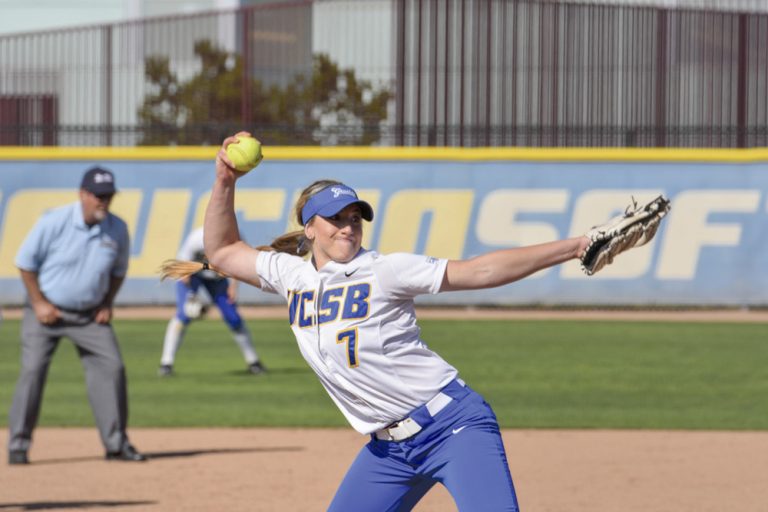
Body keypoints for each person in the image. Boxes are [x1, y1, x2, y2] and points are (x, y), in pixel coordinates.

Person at [160, 132, 593, 511]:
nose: (348, 228)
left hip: (453, 427)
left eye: (354, 218)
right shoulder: (290, 275)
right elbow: (221, 251)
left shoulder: (386, 270)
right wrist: (224, 179)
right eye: (336, 219)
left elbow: (478, 271)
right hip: (388, 452)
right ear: (309, 228)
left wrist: (574, 247)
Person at [8, 166, 146, 465]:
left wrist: (107, 303)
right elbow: (25, 263)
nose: (103, 202)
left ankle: (116, 444)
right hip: (45, 313)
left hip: (89, 316)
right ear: (82, 194)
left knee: (113, 368)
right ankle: (18, 444)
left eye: (108, 196)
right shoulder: (54, 221)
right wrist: (39, 302)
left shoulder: (117, 228)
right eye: (98, 196)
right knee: (32, 372)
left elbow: (118, 272)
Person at [158, 226, 266, 376]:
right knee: (184, 314)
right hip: (192, 273)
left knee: (233, 317)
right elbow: (183, 269)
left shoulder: (234, 236)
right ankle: (166, 363)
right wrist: (191, 295)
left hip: (217, 278)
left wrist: (234, 286)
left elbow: (242, 262)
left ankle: (253, 362)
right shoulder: (196, 239)